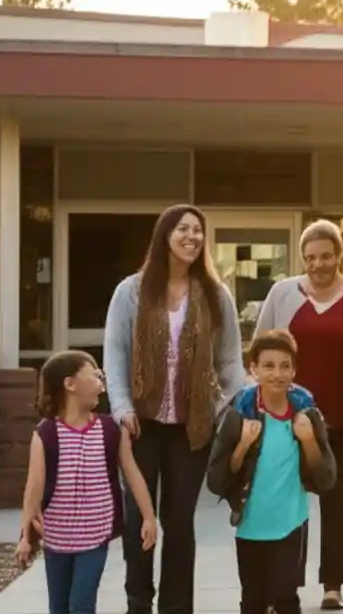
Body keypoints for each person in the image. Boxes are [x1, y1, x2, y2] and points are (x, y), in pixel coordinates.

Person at [103, 203, 247, 614]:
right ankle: (138, 600)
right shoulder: (131, 291)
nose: (191, 237)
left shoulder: (215, 295)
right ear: (164, 235)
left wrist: (229, 410)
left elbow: (230, 362)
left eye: (198, 231)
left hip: (192, 426)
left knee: (180, 522)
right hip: (141, 424)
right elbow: (114, 355)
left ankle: (176, 606)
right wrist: (122, 407)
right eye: (183, 229)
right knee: (138, 518)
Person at [253, 219, 343, 610]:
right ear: (302, 259)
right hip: (288, 418)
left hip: (341, 420)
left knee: (338, 503)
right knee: (286, 504)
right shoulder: (282, 294)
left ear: (339, 256)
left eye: (326, 256)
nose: (319, 264)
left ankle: (333, 585)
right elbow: (262, 348)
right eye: (311, 257)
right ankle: (284, 585)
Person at [16, 351, 159, 614]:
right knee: (59, 608)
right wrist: (26, 535)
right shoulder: (45, 434)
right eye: (95, 375)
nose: (102, 383)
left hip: (95, 536)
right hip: (56, 537)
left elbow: (132, 473)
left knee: (81, 605)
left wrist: (149, 516)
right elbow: (34, 487)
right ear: (70, 384)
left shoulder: (109, 430)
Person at [207, 329, 337, 614]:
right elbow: (217, 481)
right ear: (253, 369)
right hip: (251, 524)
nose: (277, 374)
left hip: (291, 523)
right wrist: (242, 445)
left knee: (285, 598)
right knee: (253, 600)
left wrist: (309, 439)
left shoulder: (305, 411)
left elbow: (326, 478)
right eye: (268, 366)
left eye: (285, 366)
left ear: (294, 370)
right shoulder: (239, 413)